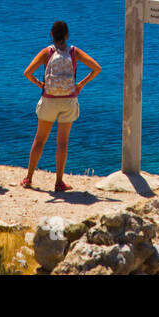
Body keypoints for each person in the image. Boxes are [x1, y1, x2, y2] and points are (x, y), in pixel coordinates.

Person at [21, 20, 100, 193]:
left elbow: (27, 72)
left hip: (49, 100)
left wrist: (39, 84)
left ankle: (28, 178)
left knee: (40, 139)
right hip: (68, 100)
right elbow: (97, 68)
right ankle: (58, 182)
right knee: (62, 143)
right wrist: (80, 85)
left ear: (51, 35)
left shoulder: (46, 52)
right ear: (66, 35)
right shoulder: (74, 52)